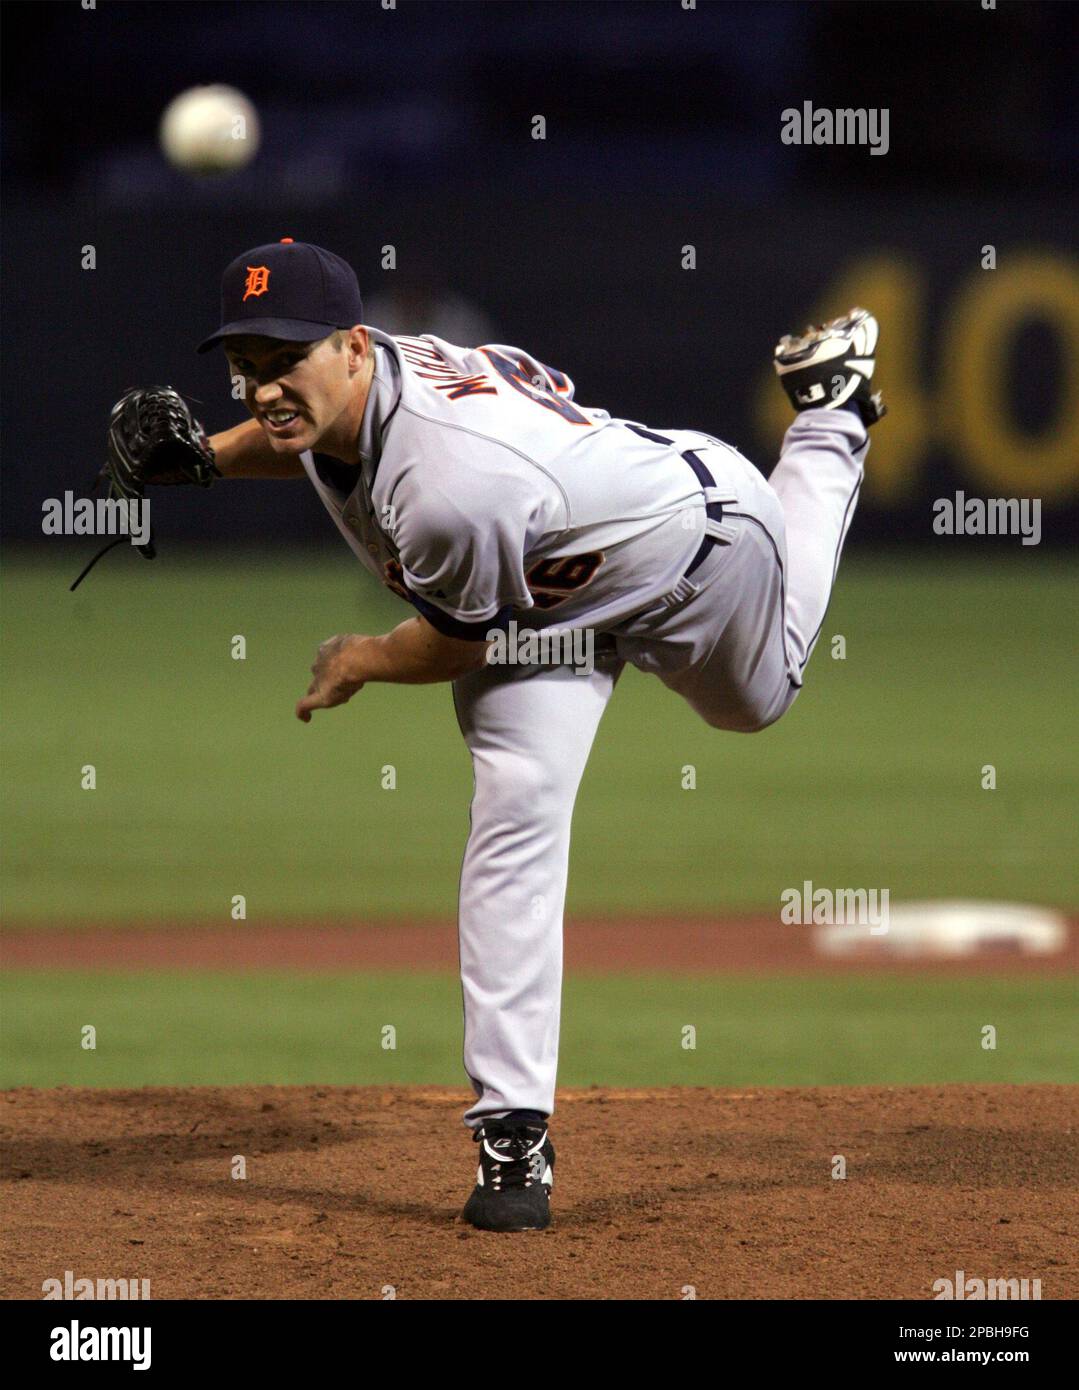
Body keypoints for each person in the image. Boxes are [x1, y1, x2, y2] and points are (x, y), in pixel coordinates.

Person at [186, 237, 883, 1232]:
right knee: (512, 810)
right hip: (543, 595)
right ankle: (511, 1131)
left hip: (693, 546)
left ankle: (829, 419)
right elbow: (298, 434)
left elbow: (449, 644)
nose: (263, 390)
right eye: (243, 368)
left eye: (283, 360)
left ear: (349, 344)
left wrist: (360, 658)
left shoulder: (448, 485)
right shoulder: (348, 387)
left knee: (757, 700)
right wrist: (200, 461)